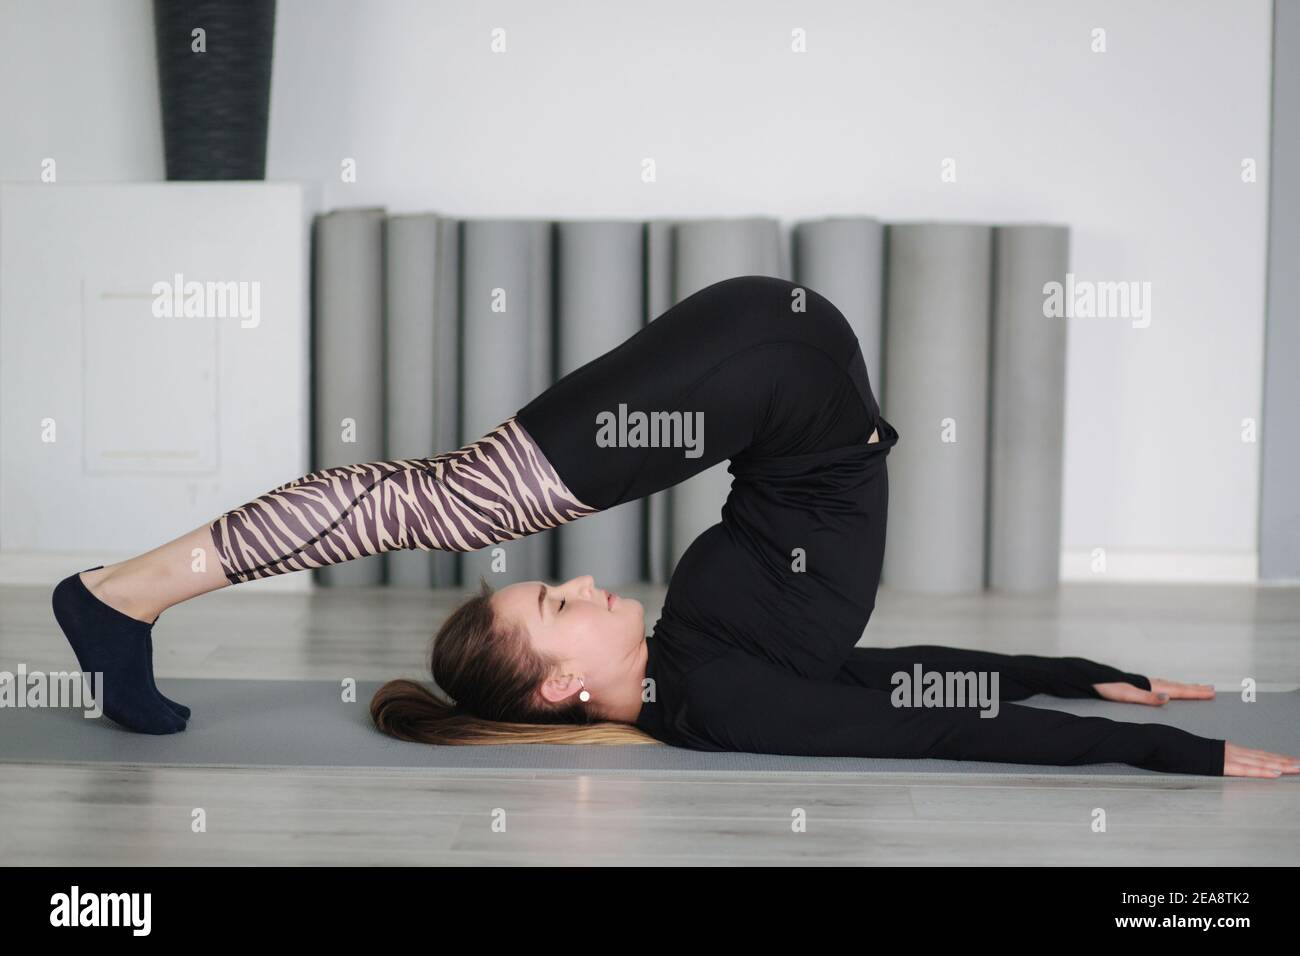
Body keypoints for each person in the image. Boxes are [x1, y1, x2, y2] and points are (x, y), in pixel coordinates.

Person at [53, 276, 1299, 778]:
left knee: (453, 495)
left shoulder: (704, 684)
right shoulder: (721, 699)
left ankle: (123, 593)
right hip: (775, 356)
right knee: (453, 495)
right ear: (558, 689)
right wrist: (1126, 713)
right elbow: (915, 701)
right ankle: (121, 593)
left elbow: (906, 701)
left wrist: (1094, 694)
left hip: (771, 364)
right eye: (557, 605)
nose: (585, 583)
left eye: (552, 592)